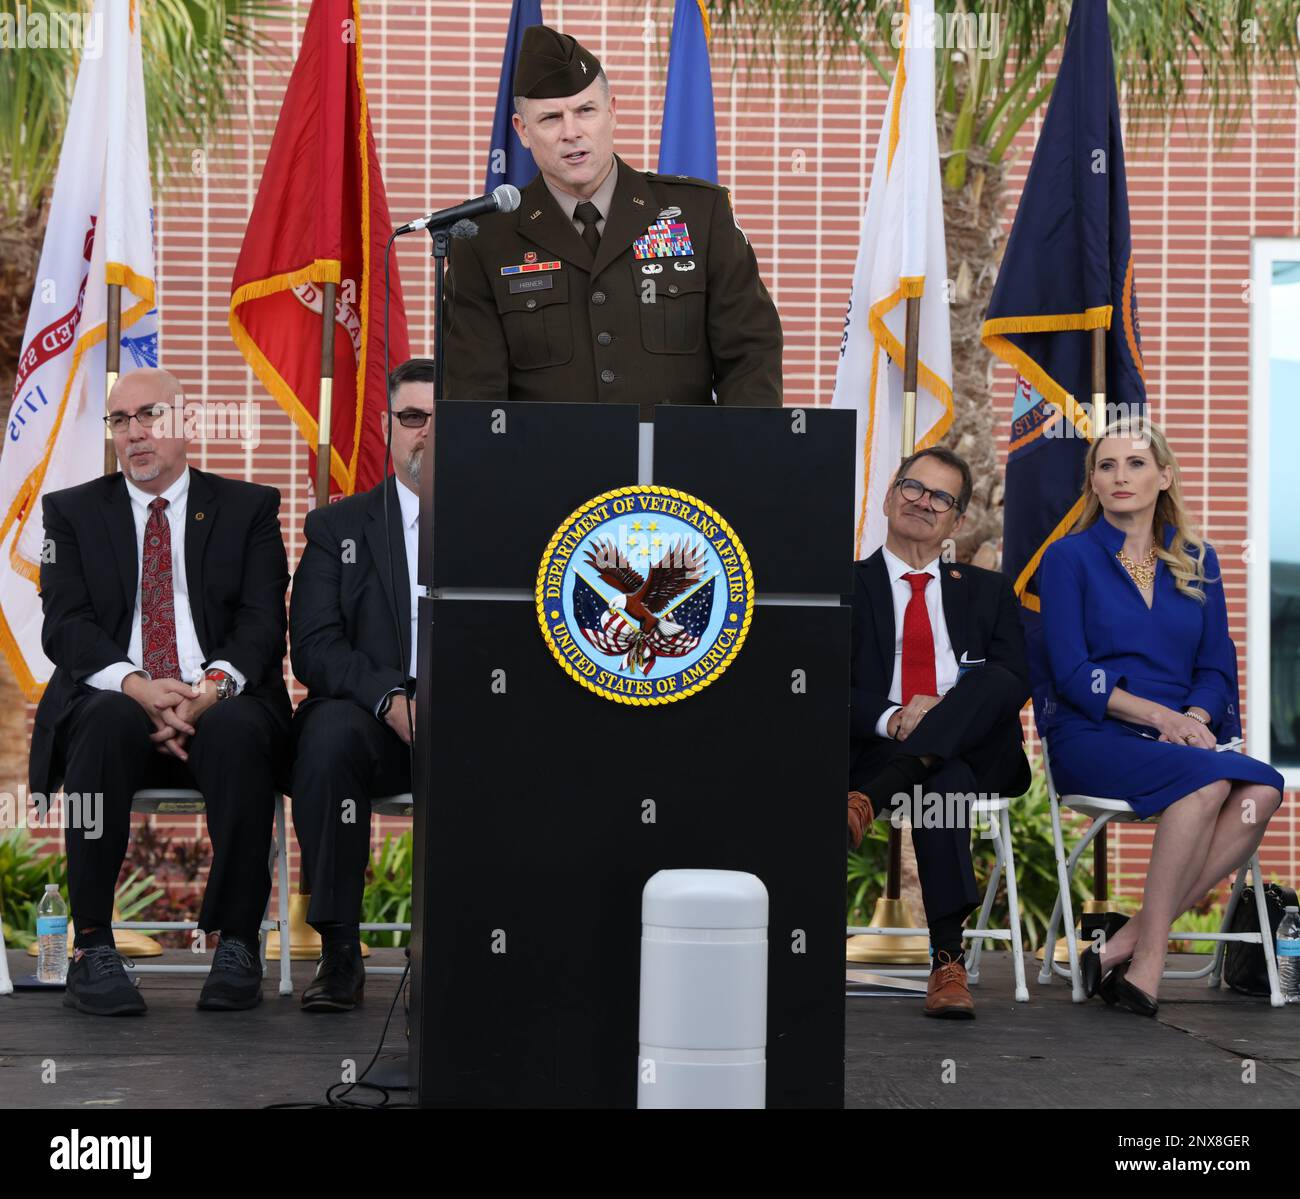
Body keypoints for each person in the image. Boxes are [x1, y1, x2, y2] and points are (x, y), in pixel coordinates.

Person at [32, 367, 291, 1015]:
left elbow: (263, 622)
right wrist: (140, 686)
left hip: (215, 701)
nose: (134, 433)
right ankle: (91, 945)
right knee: (103, 719)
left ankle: (236, 942)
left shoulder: (249, 507)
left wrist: (207, 689)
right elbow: (65, 626)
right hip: (120, 703)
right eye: (120, 420)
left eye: (149, 415)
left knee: (238, 729)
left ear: (186, 424)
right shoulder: (71, 512)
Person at [1035, 419, 1284, 1016]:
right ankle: (1148, 965)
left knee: (1264, 786)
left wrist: (1194, 716)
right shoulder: (1068, 557)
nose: (1121, 477)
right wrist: (1162, 719)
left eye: (1137, 464)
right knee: (1207, 782)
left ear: (1164, 476)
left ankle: (1123, 942)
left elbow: (1217, 666)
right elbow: (1071, 670)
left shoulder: (1198, 560)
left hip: (1181, 739)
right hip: (1094, 733)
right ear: (1092, 483)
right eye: (1107, 465)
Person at [445, 24, 783, 418]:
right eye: (551, 118)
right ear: (522, 131)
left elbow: (750, 354)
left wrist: (736, 464)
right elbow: (474, 394)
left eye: (585, 110)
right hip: (546, 475)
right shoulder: (485, 238)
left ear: (612, 111)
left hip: (678, 476)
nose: (571, 132)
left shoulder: (699, 214)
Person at [847, 447, 1031, 1019]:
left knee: (997, 678)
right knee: (942, 779)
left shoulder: (987, 591)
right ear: (887, 497)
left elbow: (1013, 684)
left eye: (941, 498)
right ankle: (947, 962)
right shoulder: (843, 586)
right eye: (912, 487)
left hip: (979, 750)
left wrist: (940, 711)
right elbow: (820, 683)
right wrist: (893, 716)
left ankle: (866, 805)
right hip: (875, 748)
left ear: (957, 521)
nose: (923, 503)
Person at [287, 358, 433, 1012]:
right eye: (413, 418)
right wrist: (389, 697)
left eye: (444, 419)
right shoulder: (337, 529)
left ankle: (503, 941)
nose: (427, 434)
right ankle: (340, 949)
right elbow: (314, 649)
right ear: (388, 426)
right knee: (324, 731)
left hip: (478, 718)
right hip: (377, 729)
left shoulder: (499, 520)